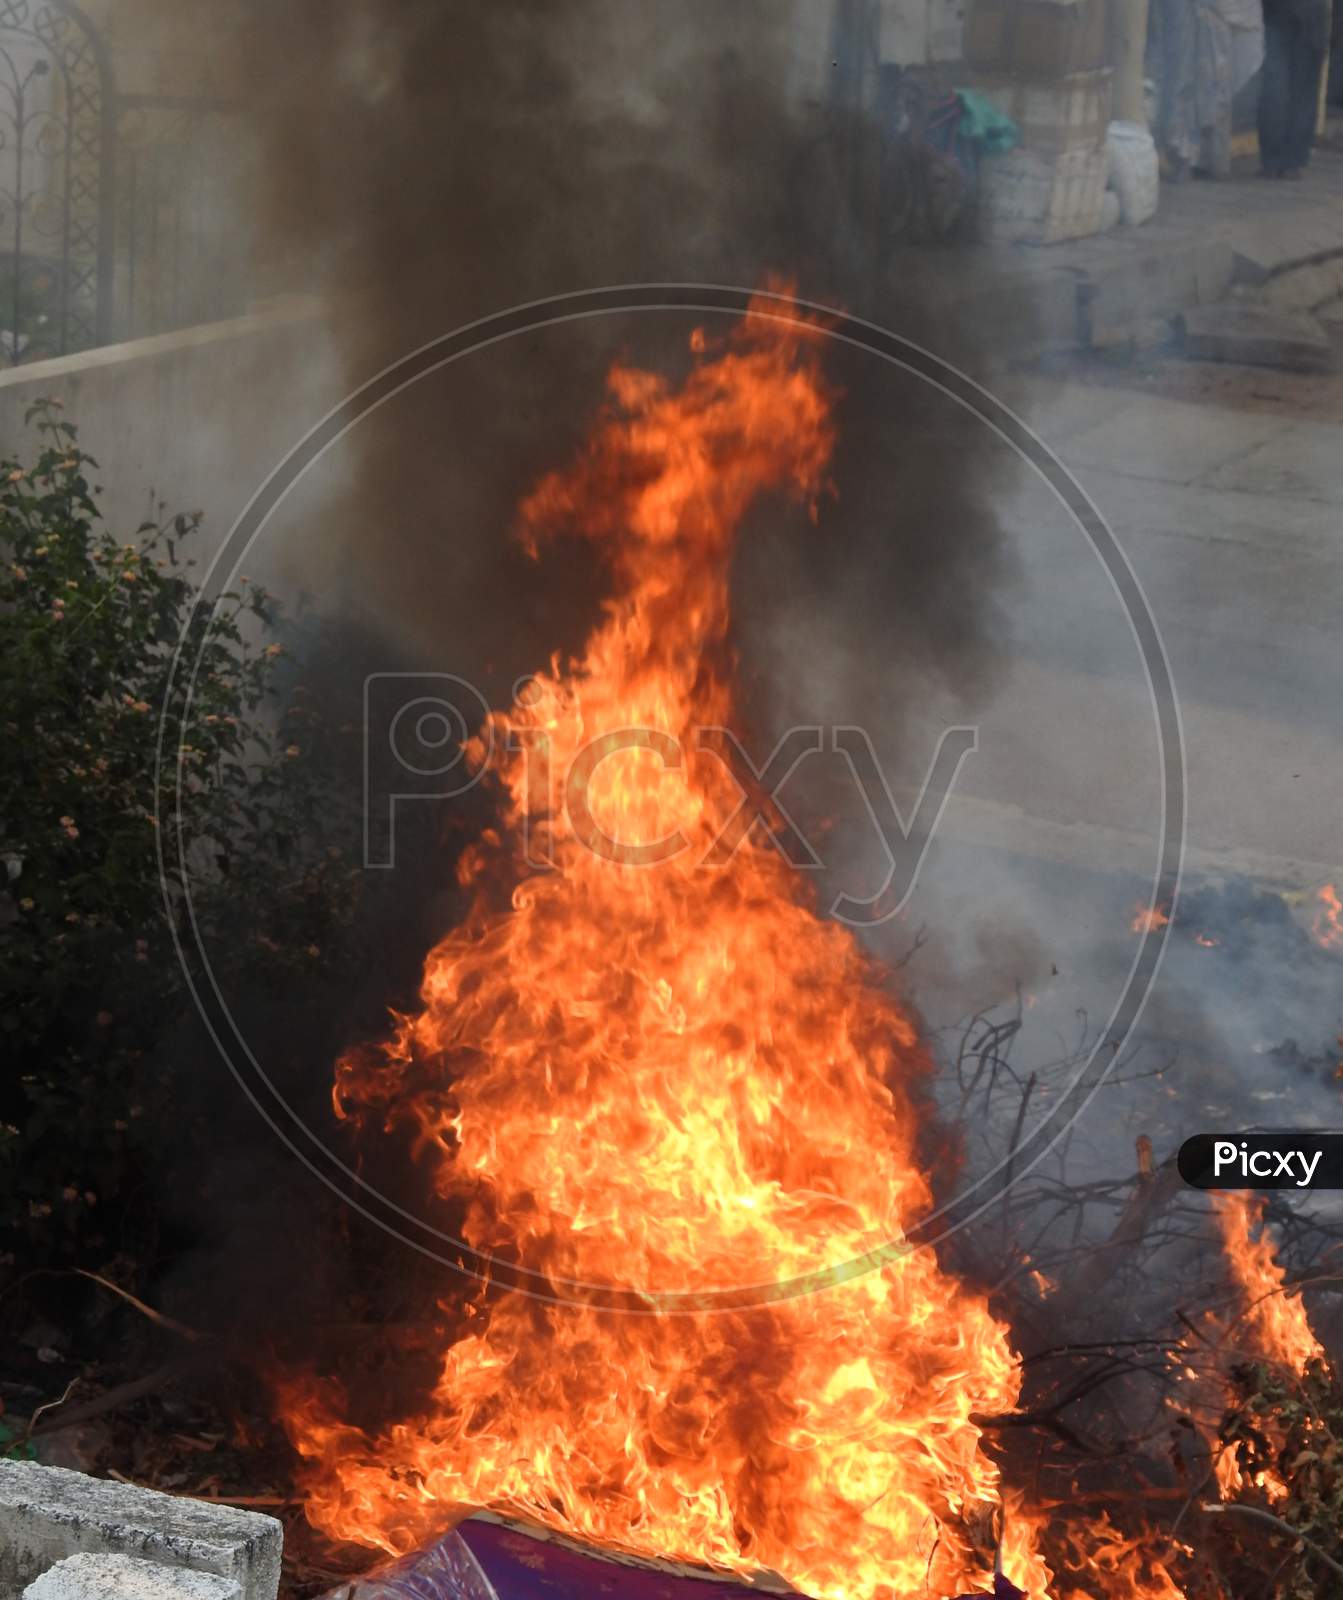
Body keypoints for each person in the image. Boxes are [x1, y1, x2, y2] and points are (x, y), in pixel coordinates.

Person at [1259, 0, 1331, 176]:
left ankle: (1271, 162)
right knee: (1304, 93)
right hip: (1313, 15)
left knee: (1273, 86)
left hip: (1277, 11)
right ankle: (1293, 163)